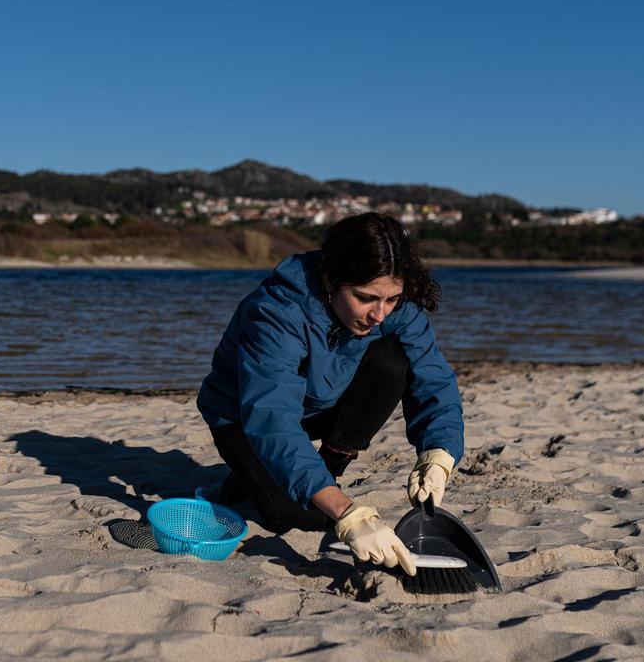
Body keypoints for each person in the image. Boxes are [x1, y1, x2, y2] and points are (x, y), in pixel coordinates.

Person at [197, 212, 464, 576]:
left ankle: (328, 467)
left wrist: (439, 453)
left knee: (392, 361)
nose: (379, 315)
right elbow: (272, 418)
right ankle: (252, 475)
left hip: (321, 402)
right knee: (291, 518)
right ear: (330, 279)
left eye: (392, 299)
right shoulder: (276, 313)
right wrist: (345, 512)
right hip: (244, 417)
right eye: (365, 298)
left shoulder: (391, 305)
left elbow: (433, 379)